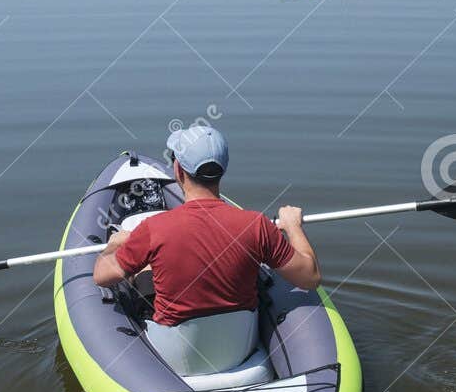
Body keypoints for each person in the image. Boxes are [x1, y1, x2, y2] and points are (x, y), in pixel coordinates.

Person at [93, 126, 320, 374]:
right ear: (222, 170)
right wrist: (293, 227)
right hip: (238, 350)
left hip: (176, 357)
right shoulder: (257, 225)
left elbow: (102, 277)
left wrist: (113, 246)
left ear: (178, 169)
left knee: (144, 268)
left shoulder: (153, 229)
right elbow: (310, 277)